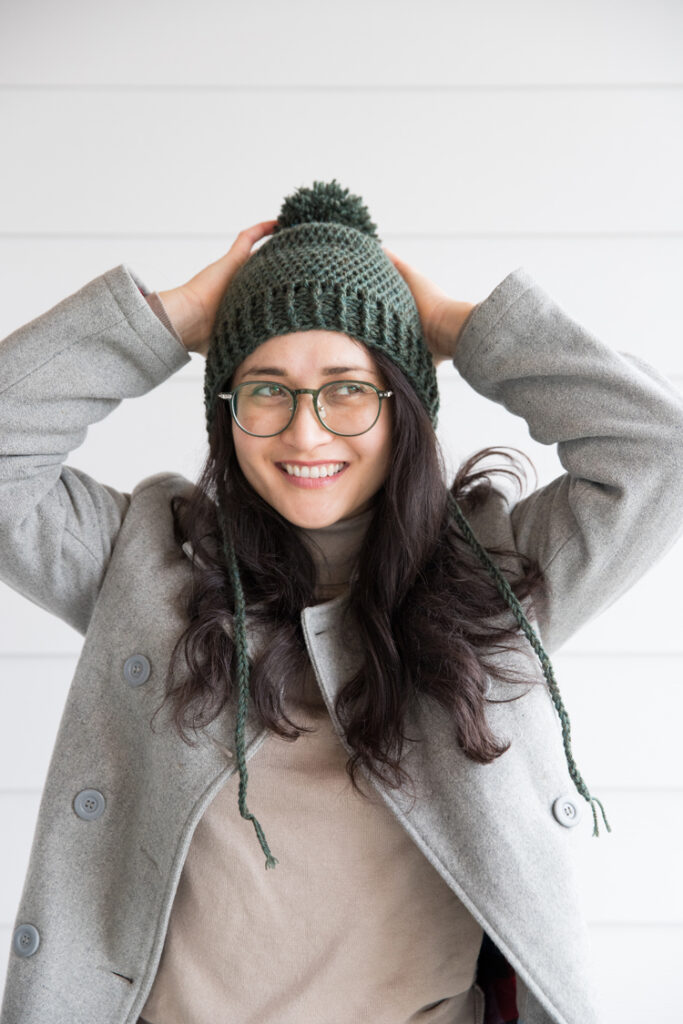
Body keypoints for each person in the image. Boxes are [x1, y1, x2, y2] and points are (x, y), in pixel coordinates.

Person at [1, 179, 682, 1024]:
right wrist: (168, 320)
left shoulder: (498, 577)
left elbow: (658, 453)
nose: (306, 431)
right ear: (227, 413)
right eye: (267, 388)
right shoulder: (141, 564)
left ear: (404, 410)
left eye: (347, 388)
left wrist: (462, 330)